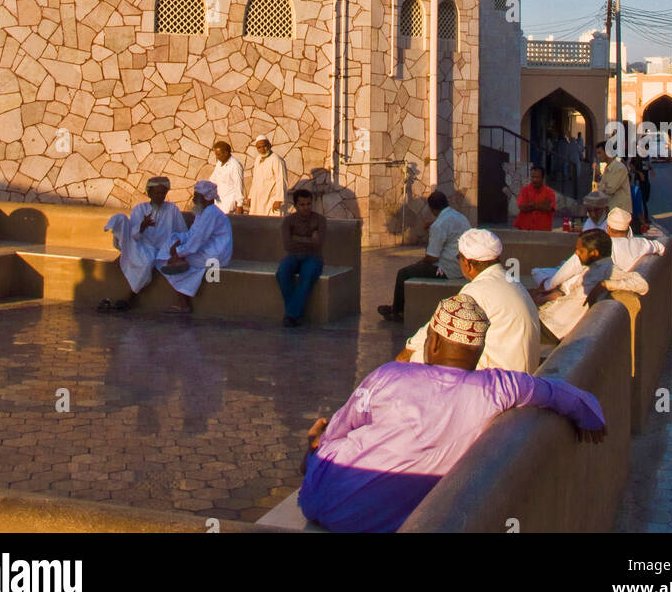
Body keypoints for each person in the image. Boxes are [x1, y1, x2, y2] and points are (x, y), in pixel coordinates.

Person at [298, 293, 606, 533]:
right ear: (478, 352)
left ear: (432, 343)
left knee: (325, 441)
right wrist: (591, 415)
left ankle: (311, 450)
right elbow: (554, 391)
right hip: (391, 518)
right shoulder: (499, 388)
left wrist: (321, 444)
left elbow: (344, 424)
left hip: (326, 502)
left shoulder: (389, 375)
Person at [397, 228, 540, 373]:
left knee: (418, 359)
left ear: (468, 264)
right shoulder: (511, 281)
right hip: (523, 372)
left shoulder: (477, 290)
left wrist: (408, 351)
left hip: (502, 377)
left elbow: (438, 324)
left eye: (459, 258)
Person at [530, 231, 649, 341]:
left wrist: (605, 284)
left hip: (553, 328)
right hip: (545, 319)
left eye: (580, 251)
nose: (576, 253)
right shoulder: (590, 268)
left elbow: (642, 284)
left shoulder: (608, 270)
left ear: (594, 253)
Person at [377, 191, 470, 322]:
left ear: (431, 208)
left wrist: (421, 262)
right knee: (417, 268)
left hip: (446, 270)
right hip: (462, 266)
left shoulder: (439, 225)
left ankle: (398, 311)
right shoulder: (460, 217)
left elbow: (432, 258)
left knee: (403, 273)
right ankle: (396, 307)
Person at [101, 175, 187, 311]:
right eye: (157, 193)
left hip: (166, 248)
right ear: (149, 193)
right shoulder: (140, 209)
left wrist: (175, 247)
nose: (160, 196)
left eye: (163, 193)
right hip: (143, 246)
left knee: (174, 266)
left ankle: (183, 304)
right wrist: (142, 226)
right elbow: (134, 236)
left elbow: (182, 232)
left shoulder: (172, 209)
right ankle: (127, 298)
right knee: (146, 264)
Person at [158, 179, 233, 312]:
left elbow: (196, 242)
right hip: (205, 251)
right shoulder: (202, 212)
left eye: (196, 196)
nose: (193, 199)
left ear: (206, 197)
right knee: (169, 243)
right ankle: (184, 299)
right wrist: (178, 241)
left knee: (166, 261)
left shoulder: (211, 213)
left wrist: (177, 254)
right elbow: (192, 234)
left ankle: (183, 304)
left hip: (215, 256)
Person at [276, 188, 327, 327]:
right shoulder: (288, 221)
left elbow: (318, 244)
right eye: (302, 205)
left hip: (313, 257)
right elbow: (288, 245)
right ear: (296, 206)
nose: (306, 208)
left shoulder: (320, 220)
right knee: (282, 273)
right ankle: (295, 313)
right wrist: (309, 239)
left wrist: (297, 238)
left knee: (307, 275)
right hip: (293, 255)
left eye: (309, 204)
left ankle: (291, 315)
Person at [247, 135, 288, 216]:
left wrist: (279, 199)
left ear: (270, 145)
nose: (262, 149)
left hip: (271, 200)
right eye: (259, 147)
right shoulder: (258, 159)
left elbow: (281, 180)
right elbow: (255, 179)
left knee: (272, 224)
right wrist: (250, 196)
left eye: (264, 146)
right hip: (258, 200)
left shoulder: (276, 160)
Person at [208, 138, 244, 215]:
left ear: (226, 153)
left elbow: (239, 185)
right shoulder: (219, 163)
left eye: (218, 154)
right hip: (219, 202)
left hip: (229, 203)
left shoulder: (235, 166)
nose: (217, 157)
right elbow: (213, 178)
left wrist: (240, 205)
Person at [514, 165, 556, 231]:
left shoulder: (549, 192)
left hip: (543, 230)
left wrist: (532, 205)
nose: (534, 180)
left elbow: (549, 208)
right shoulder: (524, 190)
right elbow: (522, 207)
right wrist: (542, 205)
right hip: (525, 229)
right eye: (532, 177)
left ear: (542, 178)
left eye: (537, 177)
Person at [595, 141, 632, 216]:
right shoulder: (607, 168)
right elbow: (601, 188)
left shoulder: (619, 168)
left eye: (600, 153)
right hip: (612, 209)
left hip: (621, 212)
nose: (598, 156)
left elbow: (610, 189)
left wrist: (603, 186)